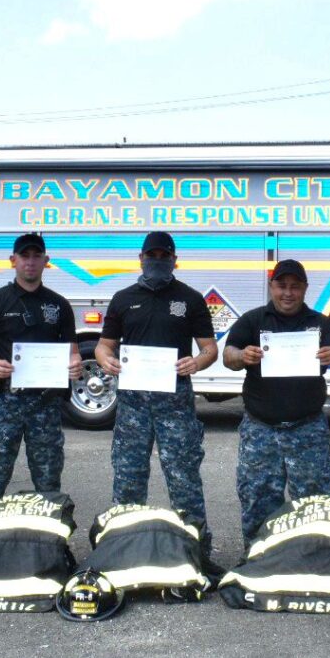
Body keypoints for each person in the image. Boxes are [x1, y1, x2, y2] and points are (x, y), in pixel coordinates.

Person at [94, 231, 220, 561]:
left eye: (164, 257)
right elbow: (105, 345)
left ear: (175, 261)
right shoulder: (123, 298)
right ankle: (123, 553)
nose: (158, 262)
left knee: (184, 482)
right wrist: (105, 358)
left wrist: (196, 362)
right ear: (141, 258)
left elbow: (210, 349)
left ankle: (197, 555)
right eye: (153, 256)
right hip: (133, 405)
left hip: (175, 404)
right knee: (128, 483)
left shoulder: (190, 299)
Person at [222, 259, 330, 549]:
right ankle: (258, 559)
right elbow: (228, 356)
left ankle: (315, 559)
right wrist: (243, 356)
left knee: (315, 501)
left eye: (295, 287)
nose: (288, 293)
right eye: (282, 286)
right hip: (261, 429)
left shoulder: (321, 323)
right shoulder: (253, 321)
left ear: (305, 288)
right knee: (257, 499)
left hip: (307, 428)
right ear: (272, 287)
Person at [0, 232, 83, 508]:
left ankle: (49, 544)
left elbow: (73, 353)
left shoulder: (59, 305)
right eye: (24, 256)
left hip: (46, 403)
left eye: (36, 256)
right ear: (13, 260)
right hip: (5, 400)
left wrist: (75, 367)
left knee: (48, 482)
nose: (30, 262)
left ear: (46, 261)